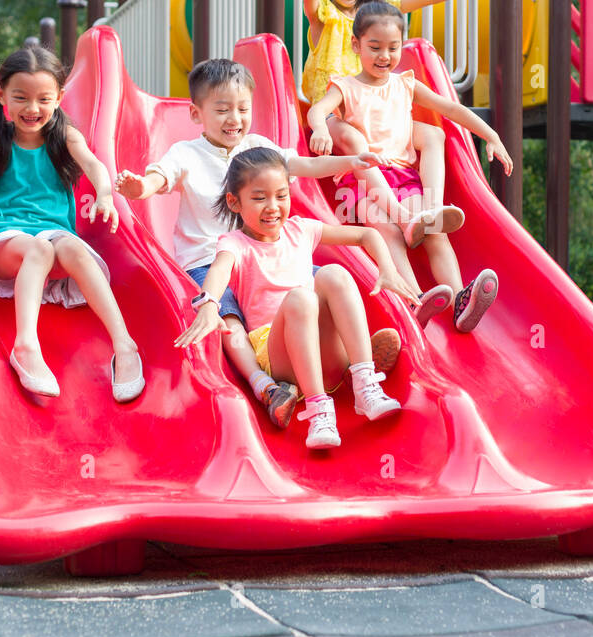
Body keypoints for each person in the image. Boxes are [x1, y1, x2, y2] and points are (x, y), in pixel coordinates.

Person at [115, 59, 416, 429]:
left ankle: (355, 362)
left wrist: (352, 161)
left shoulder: (256, 147)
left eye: (242, 109)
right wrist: (139, 189)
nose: (234, 119)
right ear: (196, 113)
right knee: (228, 319)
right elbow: (158, 179)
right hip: (210, 259)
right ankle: (266, 385)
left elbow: (302, 166)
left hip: (268, 250)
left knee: (327, 282)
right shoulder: (185, 153)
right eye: (222, 110)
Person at [0, 45, 144, 402]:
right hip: (2, 240)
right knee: (39, 248)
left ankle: (124, 344)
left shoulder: (63, 136)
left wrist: (105, 193)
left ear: (58, 97)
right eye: (21, 97)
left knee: (72, 246)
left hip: (52, 236)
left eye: (43, 98)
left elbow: (93, 164)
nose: (32, 108)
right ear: (2, 96)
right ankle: (25, 346)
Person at [176, 147, 417, 450]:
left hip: (323, 355)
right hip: (282, 362)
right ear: (234, 202)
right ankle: (319, 411)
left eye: (281, 195)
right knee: (302, 298)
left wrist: (388, 270)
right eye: (259, 197)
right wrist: (210, 302)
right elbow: (220, 269)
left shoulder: (301, 229)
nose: (273, 206)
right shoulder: (235, 243)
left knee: (334, 274)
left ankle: (365, 384)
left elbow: (366, 236)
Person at [308, 0, 512, 333]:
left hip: (403, 176)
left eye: (393, 47)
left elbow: (452, 110)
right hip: (363, 180)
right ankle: (414, 300)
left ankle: (461, 300)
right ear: (356, 45)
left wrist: (492, 136)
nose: (385, 56)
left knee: (434, 233)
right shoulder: (347, 86)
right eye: (375, 47)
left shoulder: (405, 84)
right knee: (388, 232)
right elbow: (318, 110)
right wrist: (319, 128)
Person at [300, 0, 510, 242]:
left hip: (376, 114)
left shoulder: (376, 10)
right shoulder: (323, 15)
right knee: (356, 141)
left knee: (432, 134)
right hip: (335, 115)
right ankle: (403, 216)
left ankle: (430, 210)